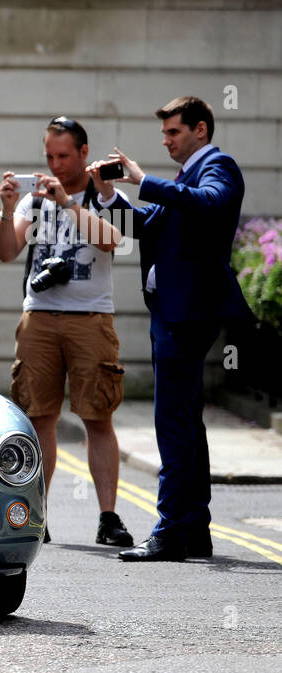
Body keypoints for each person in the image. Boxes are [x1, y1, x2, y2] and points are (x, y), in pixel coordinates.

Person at [100, 97, 253, 561]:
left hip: (187, 313)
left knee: (171, 420)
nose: (166, 141)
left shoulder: (218, 167)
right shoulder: (184, 179)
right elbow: (150, 227)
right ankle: (193, 529)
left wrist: (144, 180)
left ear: (200, 130)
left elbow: (210, 204)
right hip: (171, 310)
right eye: (164, 133)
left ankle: (169, 531)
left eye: (174, 133)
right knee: (186, 421)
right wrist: (109, 198)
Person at [0, 117, 135, 549]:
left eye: (64, 156)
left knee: (97, 417)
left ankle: (108, 517)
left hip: (91, 317)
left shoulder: (108, 195)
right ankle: (39, 514)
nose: (55, 165)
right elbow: (5, 252)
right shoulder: (33, 202)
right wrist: (6, 209)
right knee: (38, 418)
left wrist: (70, 204)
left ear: (84, 153)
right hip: (39, 315)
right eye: (49, 156)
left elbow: (115, 241)